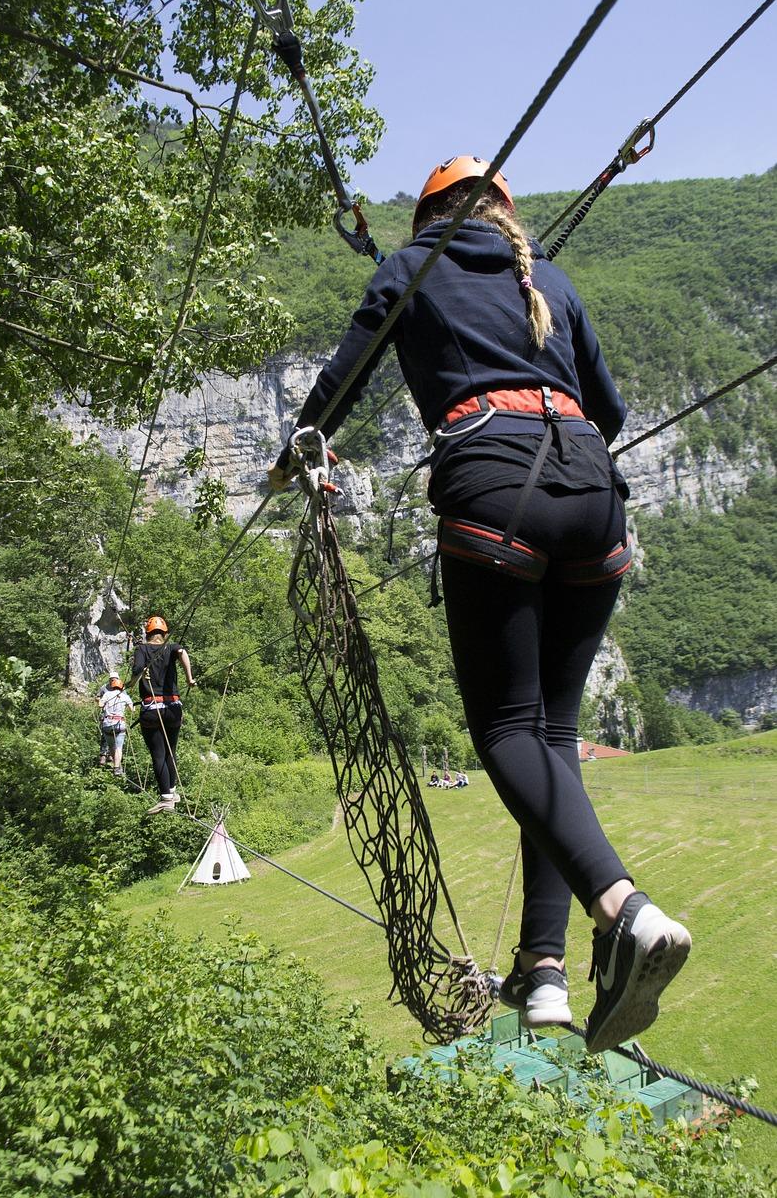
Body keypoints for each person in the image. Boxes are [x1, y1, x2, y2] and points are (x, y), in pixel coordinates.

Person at [268, 155, 690, 1053]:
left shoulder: (407, 268)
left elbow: (332, 391)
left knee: (506, 732)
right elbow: (605, 408)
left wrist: (290, 459)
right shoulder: (554, 279)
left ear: (427, 219)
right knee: (552, 742)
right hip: (592, 497)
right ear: (503, 208)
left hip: (496, 489)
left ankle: (622, 909)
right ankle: (543, 973)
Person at [131, 616, 196, 815]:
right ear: (164, 633)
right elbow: (183, 652)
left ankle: (166, 798)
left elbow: (137, 670)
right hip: (173, 708)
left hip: (152, 709)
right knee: (170, 751)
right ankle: (173, 792)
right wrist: (189, 678)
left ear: (147, 633)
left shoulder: (141, 649)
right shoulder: (171, 647)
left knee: (158, 753)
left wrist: (132, 682)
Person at [97, 674, 134, 776]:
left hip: (107, 724)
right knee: (118, 747)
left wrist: (103, 702)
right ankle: (117, 768)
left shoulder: (107, 694)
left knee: (112, 746)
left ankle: (114, 763)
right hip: (119, 724)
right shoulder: (125, 696)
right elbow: (132, 709)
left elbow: (100, 705)